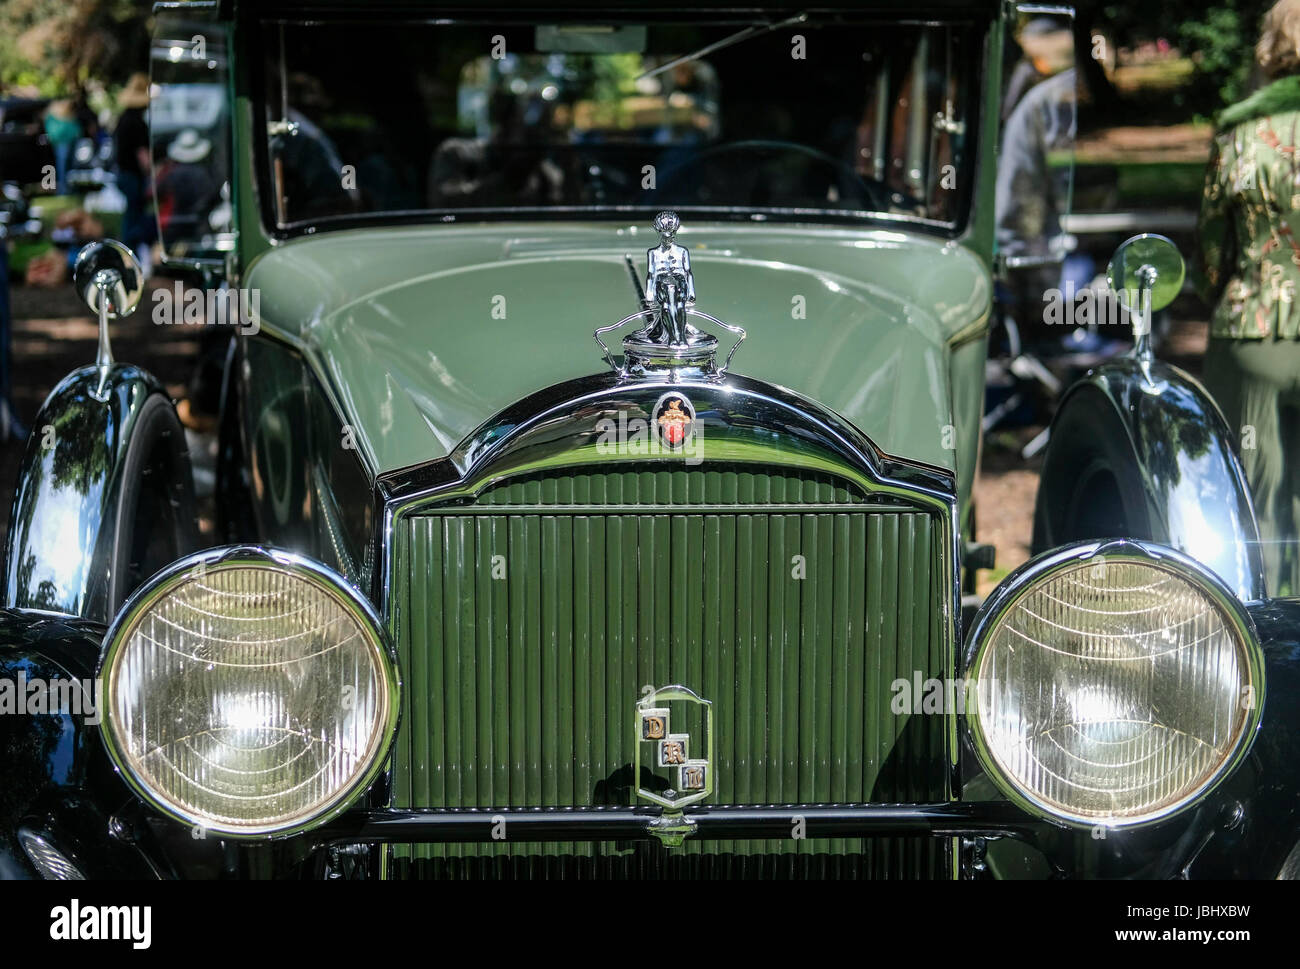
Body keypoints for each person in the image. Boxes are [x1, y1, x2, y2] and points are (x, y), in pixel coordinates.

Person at [1199, 0, 1300, 595]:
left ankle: (1264, 644)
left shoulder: (1238, 133)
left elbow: (1213, 247)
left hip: (1253, 331)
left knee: (1257, 503)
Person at [113, 73, 155, 271]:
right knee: (134, 218)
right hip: (132, 175)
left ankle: (128, 257)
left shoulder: (123, 118)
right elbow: (143, 156)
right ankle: (131, 258)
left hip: (122, 172)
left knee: (130, 216)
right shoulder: (137, 122)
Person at [43, 100, 81, 194]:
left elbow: (76, 128)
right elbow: (55, 132)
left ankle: (68, 188)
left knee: (69, 166)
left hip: (69, 142)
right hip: (61, 143)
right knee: (62, 166)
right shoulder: (54, 117)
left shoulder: (69, 116)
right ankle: (63, 189)